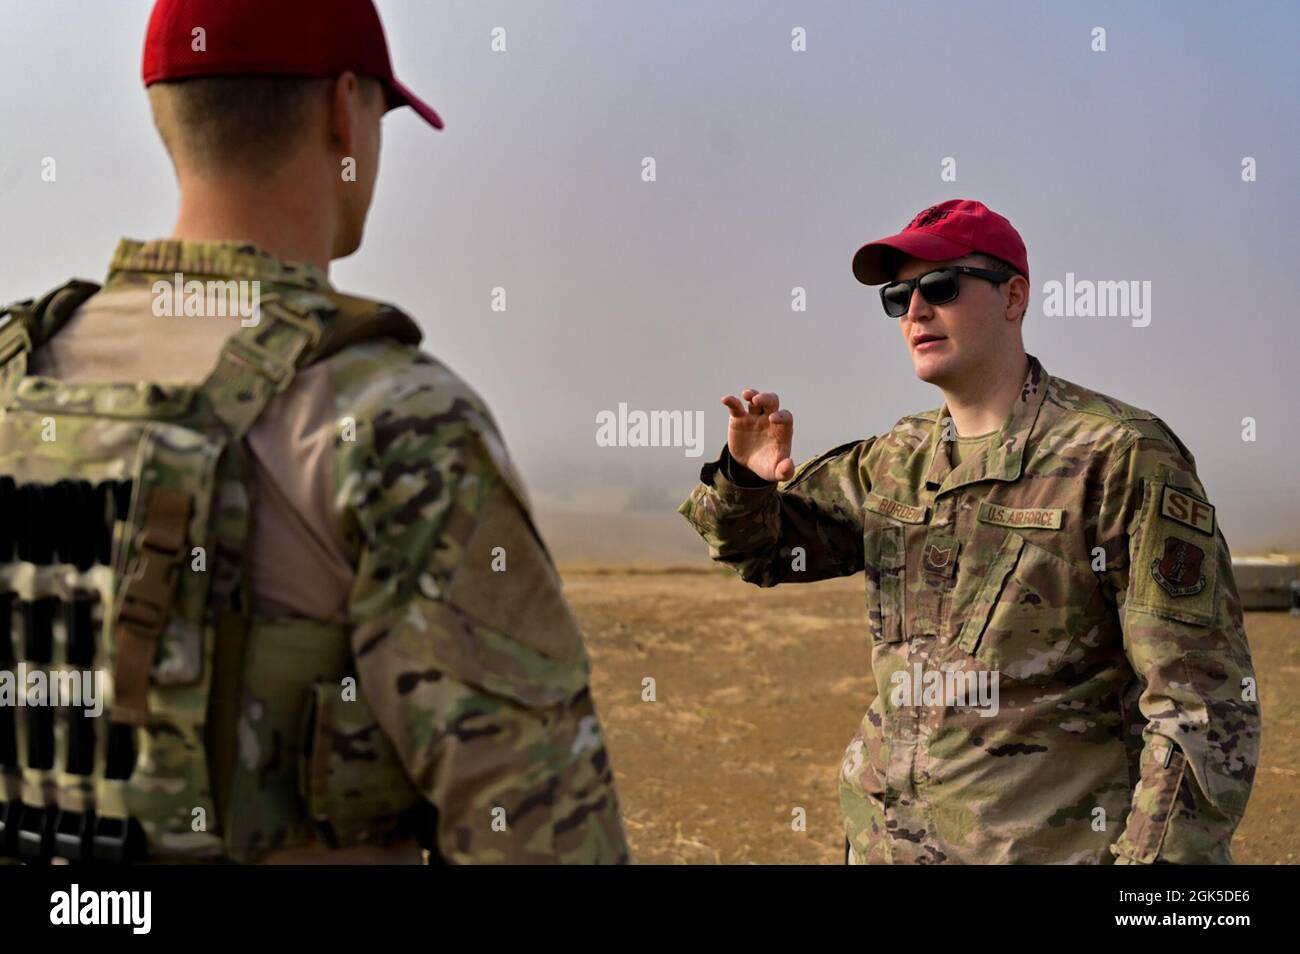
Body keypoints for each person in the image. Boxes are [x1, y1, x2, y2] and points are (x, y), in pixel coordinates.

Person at [0, 0, 628, 865]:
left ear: (163, 113)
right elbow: (544, 841)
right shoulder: (394, 419)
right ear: (344, 109)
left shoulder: (12, 374)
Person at [679, 198, 1260, 864]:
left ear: (1014, 296)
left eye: (942, 286)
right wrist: (747, 481)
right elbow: (763, 553)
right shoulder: (899, 458)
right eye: (898, 297)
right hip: (885, 847)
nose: (917, 310)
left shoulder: (1120, 456)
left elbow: (1200, 706)